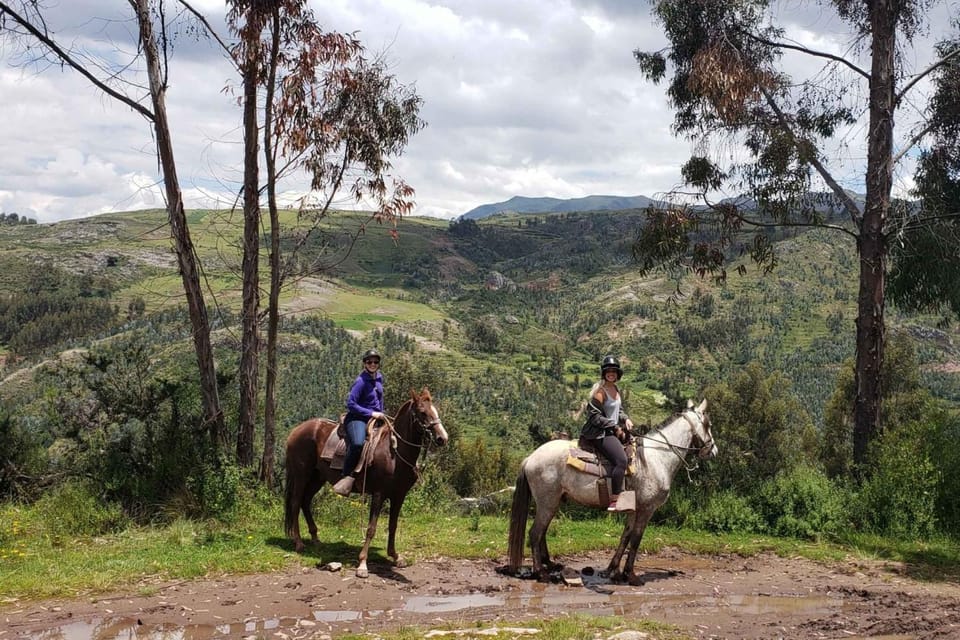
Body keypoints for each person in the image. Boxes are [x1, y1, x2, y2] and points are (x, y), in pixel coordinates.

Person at [580, 355, 634, 511]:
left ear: (618, 374)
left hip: (613, 429)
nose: (611, 373)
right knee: (621, 461)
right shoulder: (600, 392)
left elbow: (619, 411)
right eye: (608, 371)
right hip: (600, 433)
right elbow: (594, 416)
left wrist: (626, 419)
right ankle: (615, 499)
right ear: (604, 373)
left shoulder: (616, 389)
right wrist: (614, 426)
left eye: (614, 371)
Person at [333, 348, 386, 496]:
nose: (373, 364)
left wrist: (381, 413)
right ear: (364, 363)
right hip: (357, 418)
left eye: (376, 362)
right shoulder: (360, 381)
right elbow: (351, 404)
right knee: (357, 443)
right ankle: (346, 475)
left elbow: (379, 399)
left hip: (376, 418)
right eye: (369, 361)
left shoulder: (379, 378)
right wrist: (371, 413)